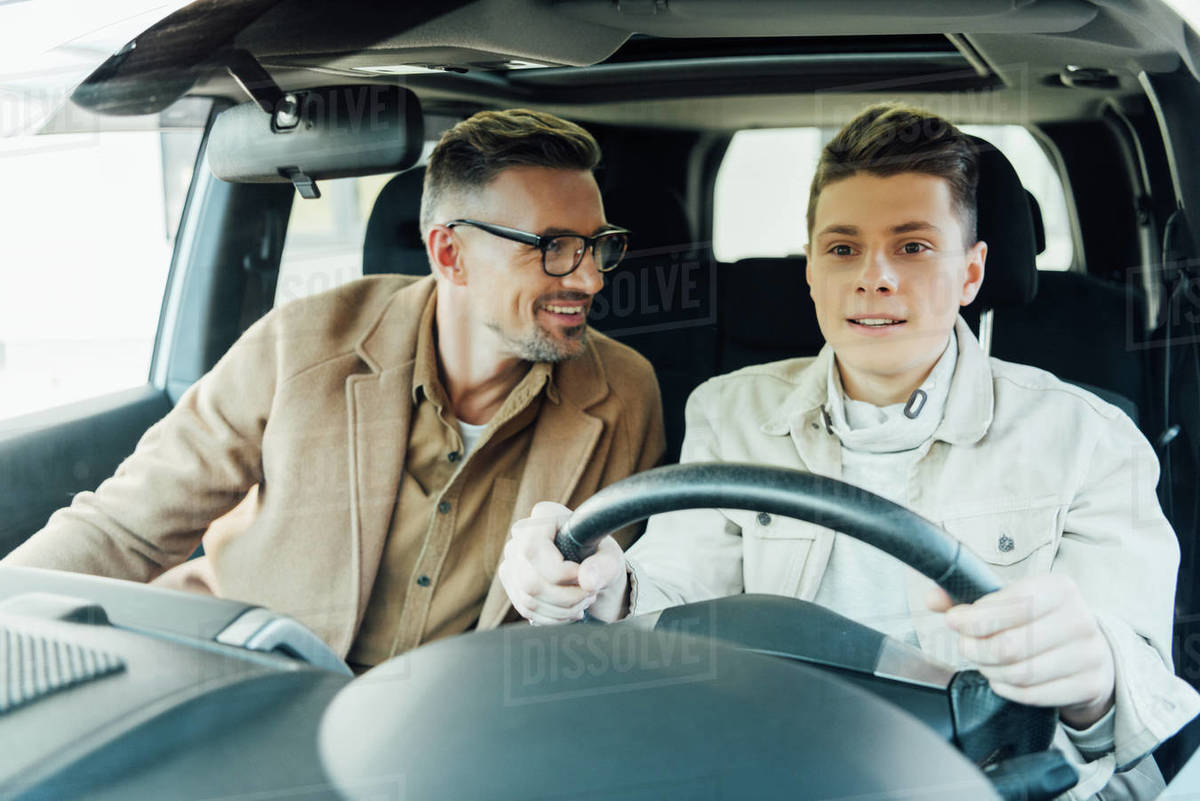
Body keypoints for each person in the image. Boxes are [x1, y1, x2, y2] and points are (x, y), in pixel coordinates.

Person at [498, 103, 1199, 798]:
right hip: (775, 766)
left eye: (913, 246)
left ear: (971, 273)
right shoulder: (730, 409)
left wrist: (1090, 674)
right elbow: (677, 593)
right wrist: (600, 580)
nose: (875, 276)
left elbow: (1133, 694)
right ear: (810, 269)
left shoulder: (1089, 437)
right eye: (842, 249)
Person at [5, 108, 665, 670]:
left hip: (468, 734)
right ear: (448, 253)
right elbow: (124, 528)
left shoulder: (624, 393)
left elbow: (621, 608)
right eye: (552, 247)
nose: (588, 280)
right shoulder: (302, 343)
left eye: (597, 246)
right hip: (257, 685)